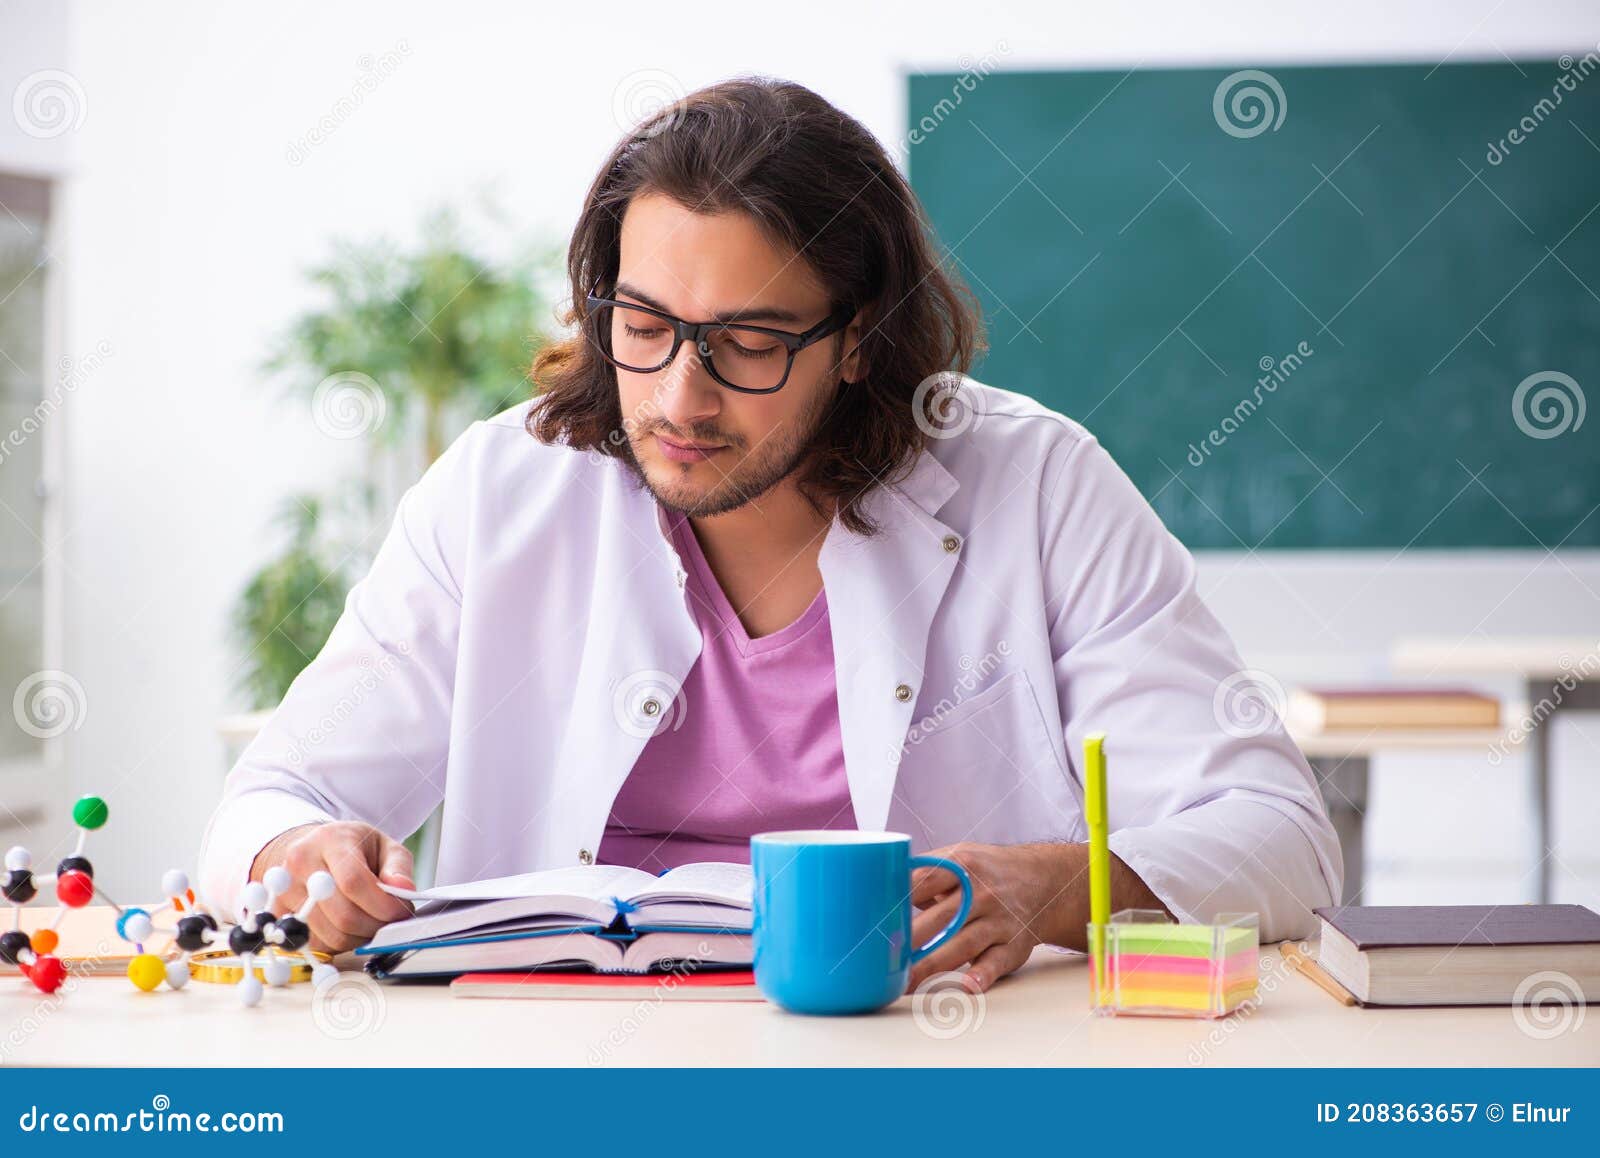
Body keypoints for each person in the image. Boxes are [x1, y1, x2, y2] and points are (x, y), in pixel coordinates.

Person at [200, 76, 1341, 993]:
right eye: (642, 326)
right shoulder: (505, 492)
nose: (681, 399)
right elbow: (274, 794)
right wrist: (296, 857)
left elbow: (1282, 837)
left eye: (748, 344)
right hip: (557, 1065)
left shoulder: (1034, 484)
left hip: (920, 1067)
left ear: (858, 337)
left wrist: (1061, 885)